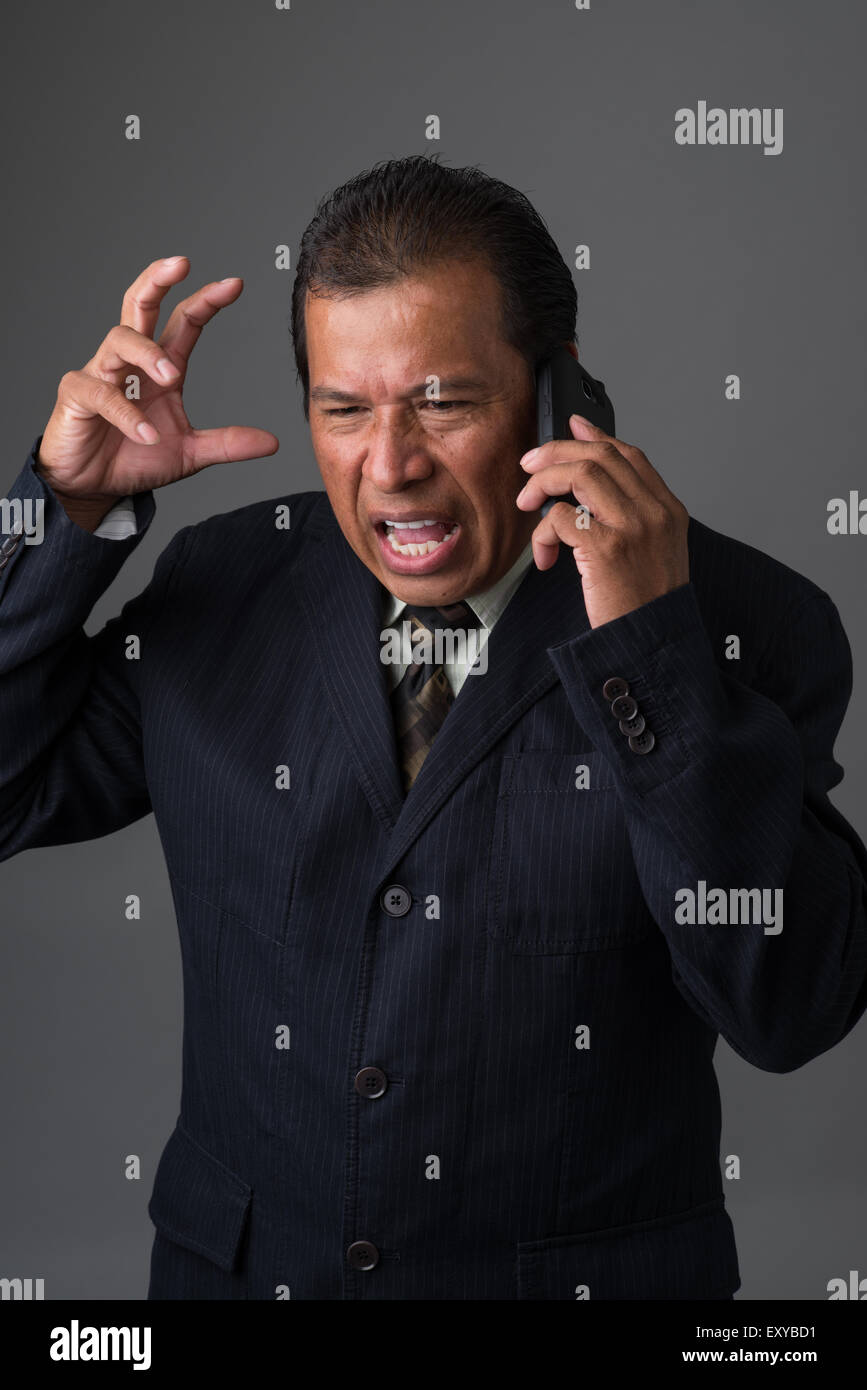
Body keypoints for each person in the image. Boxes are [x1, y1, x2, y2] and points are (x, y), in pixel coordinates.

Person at [1, 154, 866, 1301]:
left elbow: (790, 1003)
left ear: (564, 398)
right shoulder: (221, 585)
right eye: (343, 409)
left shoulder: (749, 622)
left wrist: (650, 656)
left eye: (444, 402)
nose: (391, 469)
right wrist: (59, 513)